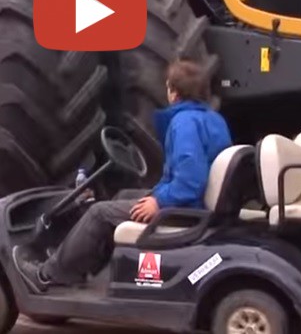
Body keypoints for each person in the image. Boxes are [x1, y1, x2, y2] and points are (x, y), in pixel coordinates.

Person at [13, 58, 232, 291]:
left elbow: (191, 179)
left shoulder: (184, 123)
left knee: (99, 212)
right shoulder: (212, 119)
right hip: (195, 205)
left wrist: (159, 201)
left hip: (185, 209)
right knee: (123, 196)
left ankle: (48, 275)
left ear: (174, 93)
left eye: (168, 86)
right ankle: (80, 265)